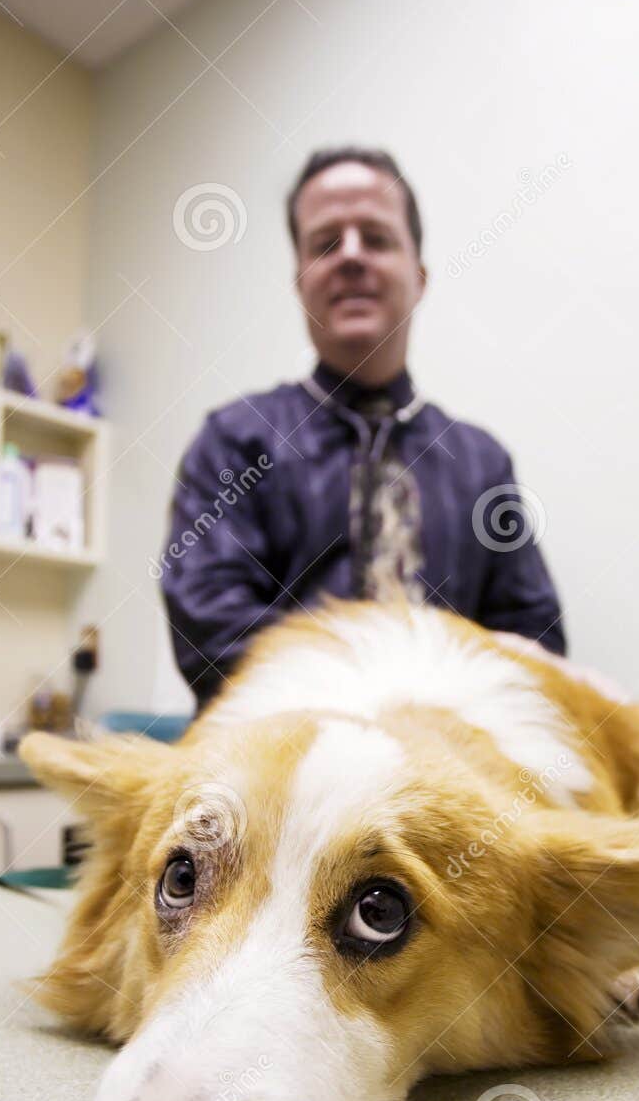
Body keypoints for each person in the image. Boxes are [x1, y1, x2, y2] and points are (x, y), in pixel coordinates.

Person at [161, 146, 566, 706]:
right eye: (325, 243)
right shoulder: (235, 440)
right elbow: (209, 629)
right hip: (275, 750)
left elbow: (536, 640)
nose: (351, 256)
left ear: (419, 277)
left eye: (376, 238)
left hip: (449, 750)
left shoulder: (482, 463)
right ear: (300, 280)